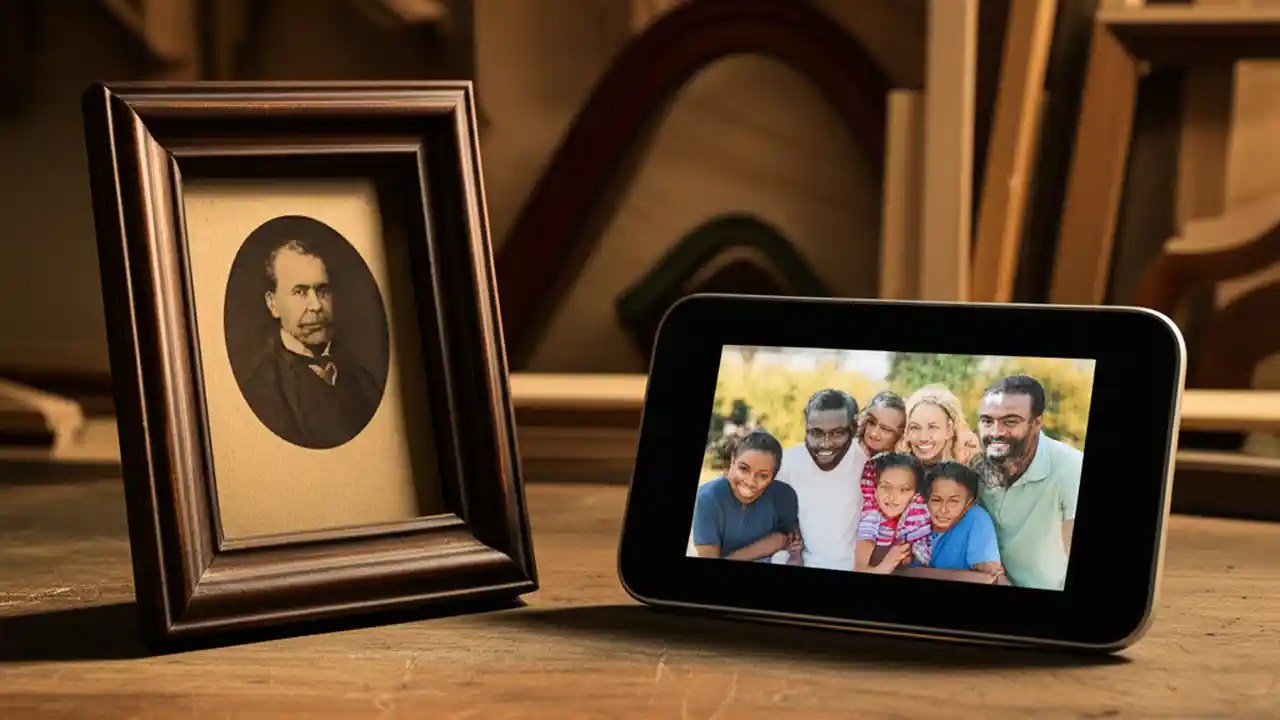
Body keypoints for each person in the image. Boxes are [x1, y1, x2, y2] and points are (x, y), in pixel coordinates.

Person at [241, 237, 382, 449]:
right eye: (300, 292)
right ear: (273, 304)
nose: (316, 306)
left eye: (322, 291)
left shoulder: (364, 383)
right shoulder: (261, 393)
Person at [974, 375, 1082, 590]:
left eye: (1010, 421)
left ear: (1037, 422)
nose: (995, 432)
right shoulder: (976, 468)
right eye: (987, 421)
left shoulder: (1072, 467)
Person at [774, 389, 865, 570]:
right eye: (816, 433)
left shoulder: (867, 465)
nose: (825, 443)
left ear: (854, 430)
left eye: (837, 433)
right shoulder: (786, 463)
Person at [691, 429, 801, 562]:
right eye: (743, 469)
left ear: (773, 476)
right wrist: (771, 544)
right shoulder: (708, 498)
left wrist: (781, 542)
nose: (750, 482)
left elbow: (789, 541)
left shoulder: (782, 495)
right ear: (733, 461)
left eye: (763, 475)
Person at [920, 461, 1005, 581]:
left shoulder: (975, 518)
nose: (943, 510)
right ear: (926, 500)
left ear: (969, 504)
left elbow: (989, 573)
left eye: (953, 501)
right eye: (936, 500)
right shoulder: (915, 519)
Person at [855, 452, 931, 573]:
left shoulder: (917, 523)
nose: (893, 497)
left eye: (904, 490)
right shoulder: (871, 519)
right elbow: (859, 568)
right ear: (875, 488)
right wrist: (888, 563)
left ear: (916, 494)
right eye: (886, 487)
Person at [898, 385, 979, 468]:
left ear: (949, 429)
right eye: (915, 427)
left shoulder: (971, 469)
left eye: (932, 427)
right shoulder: (897, 468)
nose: (923, 438)